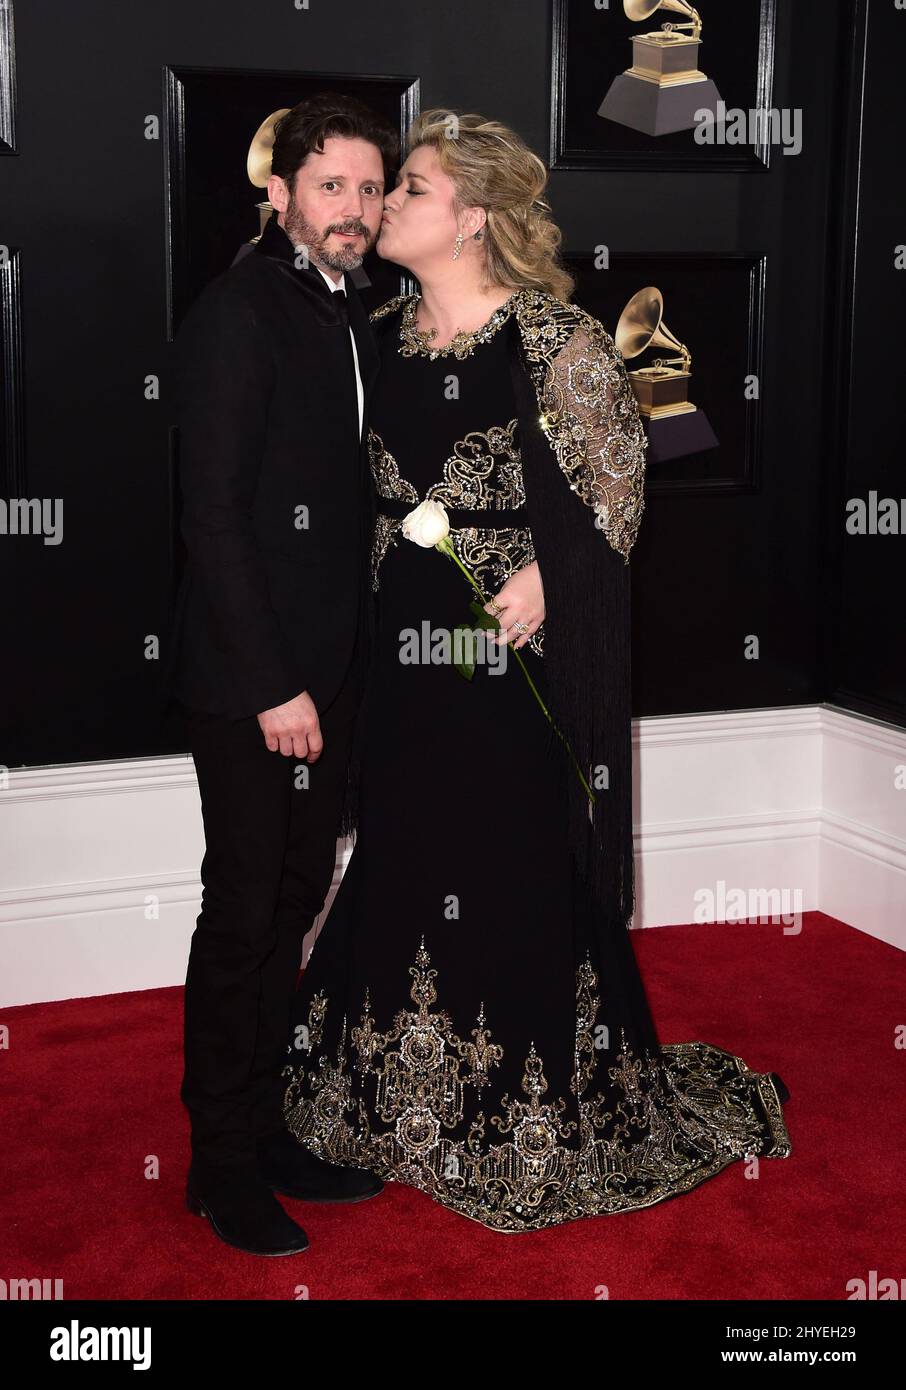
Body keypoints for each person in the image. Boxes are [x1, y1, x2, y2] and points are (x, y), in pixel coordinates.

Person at [280, 108, 792, 1234]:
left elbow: (621, 491)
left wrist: (556, 583)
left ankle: (527, 1110)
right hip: (403, 652)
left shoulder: (558, 340)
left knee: (507, 855)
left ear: (469, 217)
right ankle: (399, 1097)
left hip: (506, 660)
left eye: (407, 188)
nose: (385, 207)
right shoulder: (376, 337)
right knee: (408, 844)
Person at [165, 93, 397, 1255]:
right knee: (244, 915)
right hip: (259, 685)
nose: (352, 210)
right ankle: (218, 1166)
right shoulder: (237, 315)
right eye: (331, 187)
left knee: (297, 907)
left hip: (332, 674)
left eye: (368, 188)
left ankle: (268, 1128)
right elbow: (212, 519)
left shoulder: (354, 316)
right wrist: (273, 685)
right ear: (281, 192)